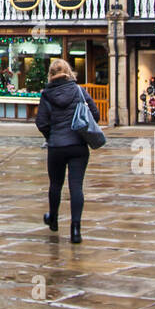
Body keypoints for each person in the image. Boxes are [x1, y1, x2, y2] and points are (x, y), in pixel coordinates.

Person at [34, 58, 98, 244]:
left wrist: (51, 135)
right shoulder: (79, 91)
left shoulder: (46, 94)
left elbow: (41, 122)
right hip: (78, 145)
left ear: (51, 75)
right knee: (76, 187)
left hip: (56, 147)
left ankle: (53, 219)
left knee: (55, 184)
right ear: (69, 72)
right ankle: (75, 230)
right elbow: (95, 114)